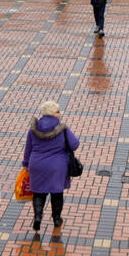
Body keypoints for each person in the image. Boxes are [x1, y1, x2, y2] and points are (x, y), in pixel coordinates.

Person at [21, 100, 81, 233]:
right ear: (53, 114)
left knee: (38, 192)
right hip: (57, 166)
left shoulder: (33, 129)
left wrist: (25, 164)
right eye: (58, 111)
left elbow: (28, 149)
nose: (60, 113)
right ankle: (57, 219)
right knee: (57, 193)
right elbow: (75, 144)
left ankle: (37, 216)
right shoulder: (62, 129)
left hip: (37, 164)